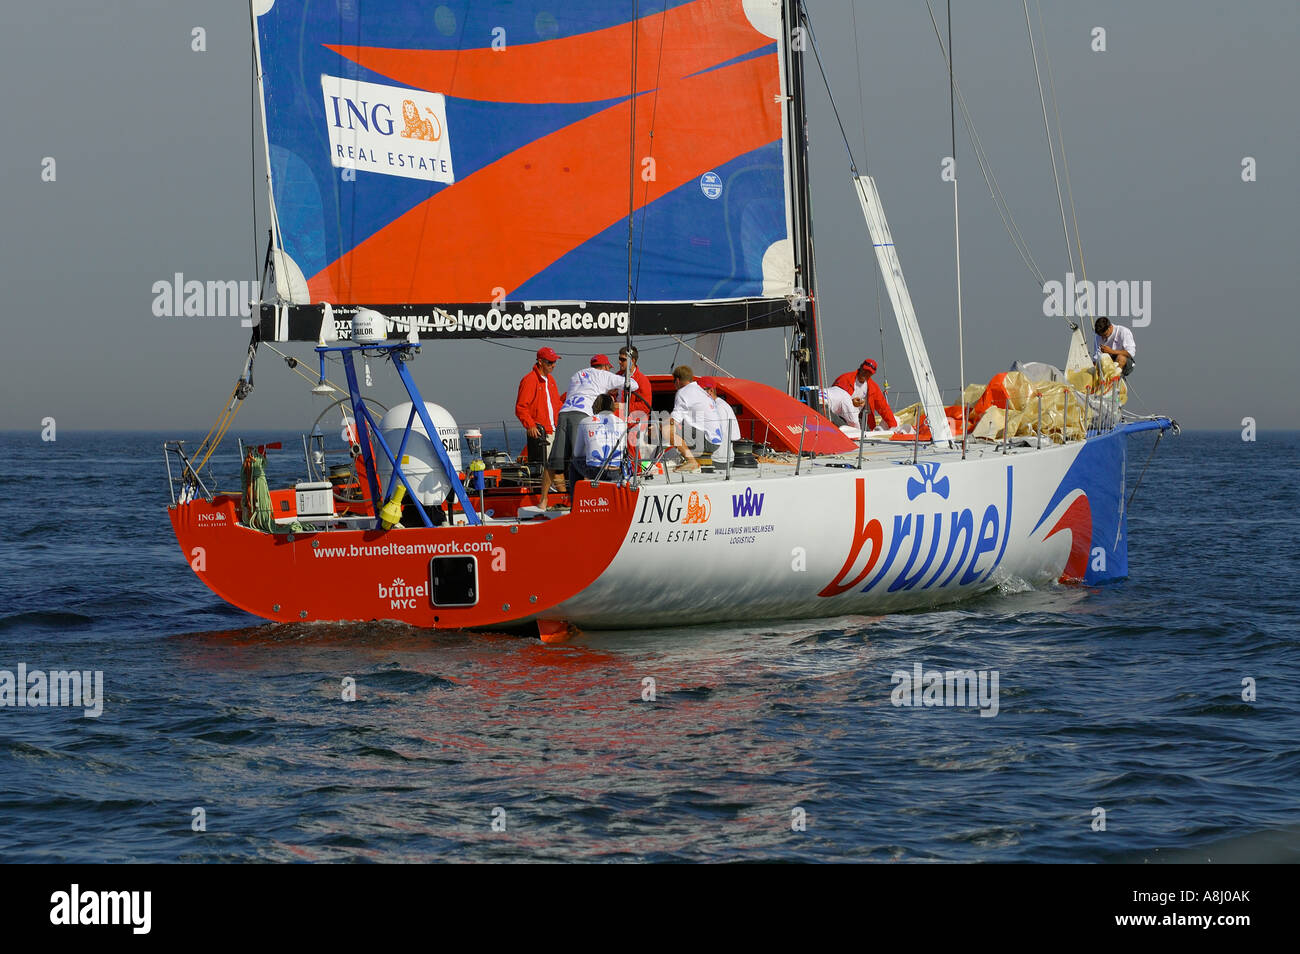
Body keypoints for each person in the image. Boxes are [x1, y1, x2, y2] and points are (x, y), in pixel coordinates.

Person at [550, 354, 638, 493]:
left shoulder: (577, 375)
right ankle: (586, 498)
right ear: (604, 367)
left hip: (564, 413)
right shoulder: (604, 375)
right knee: (582, 460)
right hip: (583, 414)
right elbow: (633, 385)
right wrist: (614, 389)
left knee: (557, 463)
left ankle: (546, 500)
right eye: (608, 367)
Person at [515, 347, 565, 508]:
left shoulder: (551, 381)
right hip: (543, 432)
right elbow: (521, 407)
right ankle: (548, 499)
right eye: (550, 362)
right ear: (540, 362)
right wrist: (530, 425)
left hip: (554, 430)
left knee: (556, 466)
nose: (554, 365)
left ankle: (558, 497)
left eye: (555, 362)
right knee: (553, 467)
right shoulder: (529, 380)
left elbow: (556, 404)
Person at [664, 365, 721, 471]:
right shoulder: (700, 391)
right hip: (716, 442)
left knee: (666, 430)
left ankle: (691, 462)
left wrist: (658, 426)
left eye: (673, 381)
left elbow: (673, 421)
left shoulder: (683, 392)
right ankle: (689, 459)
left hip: (706, 441)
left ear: (677, 380)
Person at [830, 358, 896, 430]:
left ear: (872, 374)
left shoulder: (873, 388)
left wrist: (894, 427)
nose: (866, 373)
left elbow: (884, 408)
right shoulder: (845, 379)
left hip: (858, 418)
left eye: (869, 372)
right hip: (840, 416)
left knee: (866, 433)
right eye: (865, 370)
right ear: (861, 367)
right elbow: (835, 397)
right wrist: (852, 402)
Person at [574, 394, 627, 481]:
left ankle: (575, 493)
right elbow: (623, 449)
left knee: (574, 461)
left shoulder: (585, 421)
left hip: (594, 470)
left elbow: (577, 453)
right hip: (615, 470)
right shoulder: (622, 422)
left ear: (596, 405)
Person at [698, 377, 741, 465]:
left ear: (710, 391)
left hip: (718, 460)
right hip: (717, 458)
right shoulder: (716, 406)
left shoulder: (719, 408)